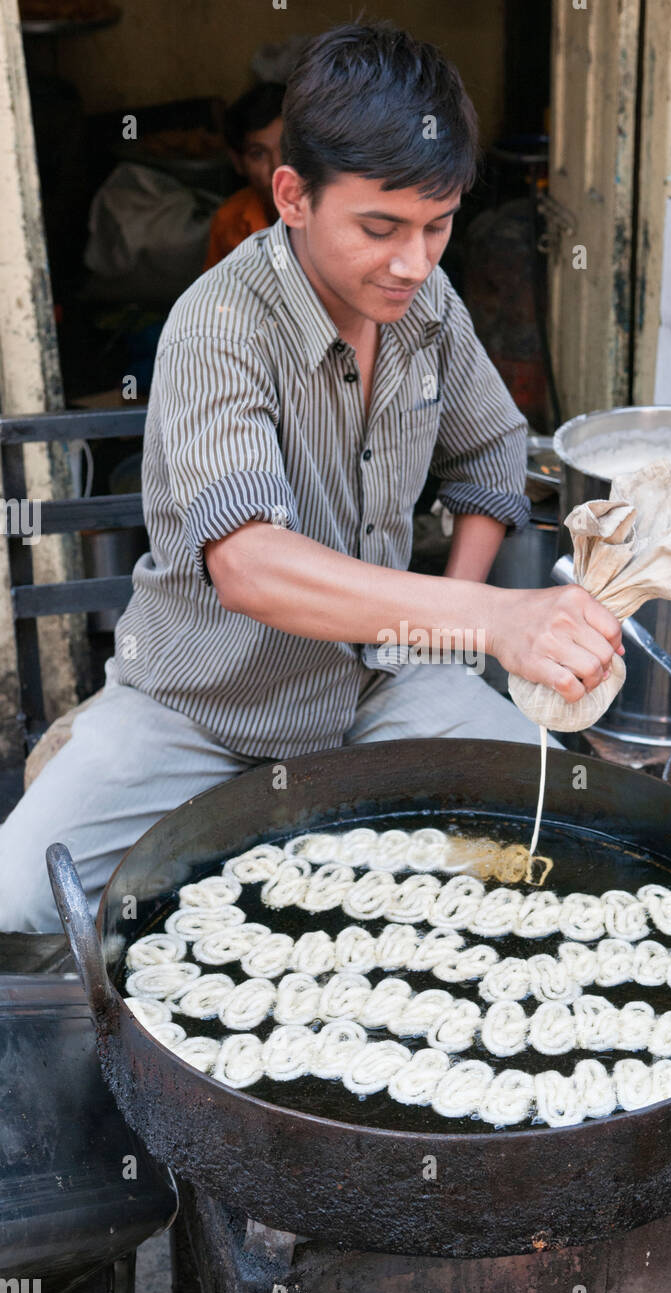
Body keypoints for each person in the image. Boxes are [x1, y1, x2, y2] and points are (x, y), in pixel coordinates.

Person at [0, 21, 622, 933]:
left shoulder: (427, 305)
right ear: (291, 195)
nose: (413, 261)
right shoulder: (220, 327)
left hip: (383, 687)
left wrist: (438, 636)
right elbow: (247, 565)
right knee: (15, 911)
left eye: (437, 225)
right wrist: (493, 619)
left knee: (576, 851)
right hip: (200, 710)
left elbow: (489, 452)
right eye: (379, 227)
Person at [202, 82, 285, 270]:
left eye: (287, 147)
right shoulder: (229, 221)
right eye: (258, 154)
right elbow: (216, 294)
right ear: (238, 162)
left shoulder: (336, 211)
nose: (277, 166)